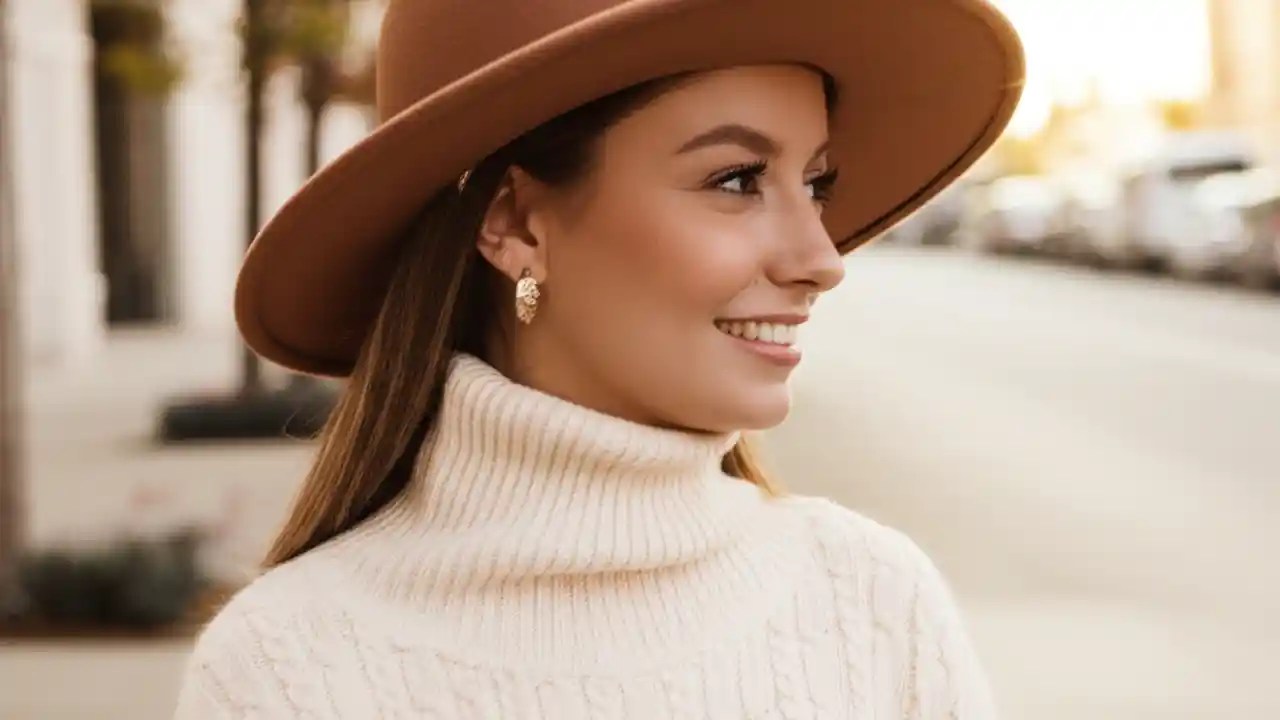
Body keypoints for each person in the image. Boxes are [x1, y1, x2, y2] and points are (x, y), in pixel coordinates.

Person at [174, 0, 1024, 717]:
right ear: (515, 224)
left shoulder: (874, 603)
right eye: (737, 181)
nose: (822, 258)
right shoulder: (285, 670)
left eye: (817, 184)